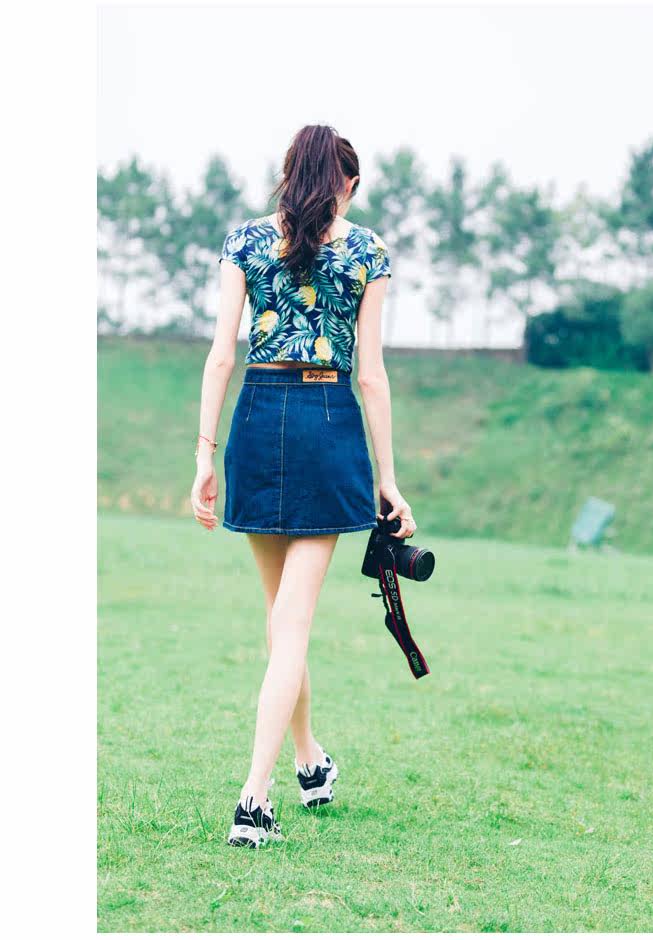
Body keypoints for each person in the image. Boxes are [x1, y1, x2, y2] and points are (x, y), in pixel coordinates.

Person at [190, 124, 417, 848]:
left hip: (257, 419)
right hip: (326, 421)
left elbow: (220, 356)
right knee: (288, 627)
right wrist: (388, 479)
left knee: (280, 622)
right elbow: (371, 376)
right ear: (347, 182)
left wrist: (204, 454)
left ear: (288, 173)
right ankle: (253, 802)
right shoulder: (368, 250)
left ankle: (309, 760)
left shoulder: (244, 241)